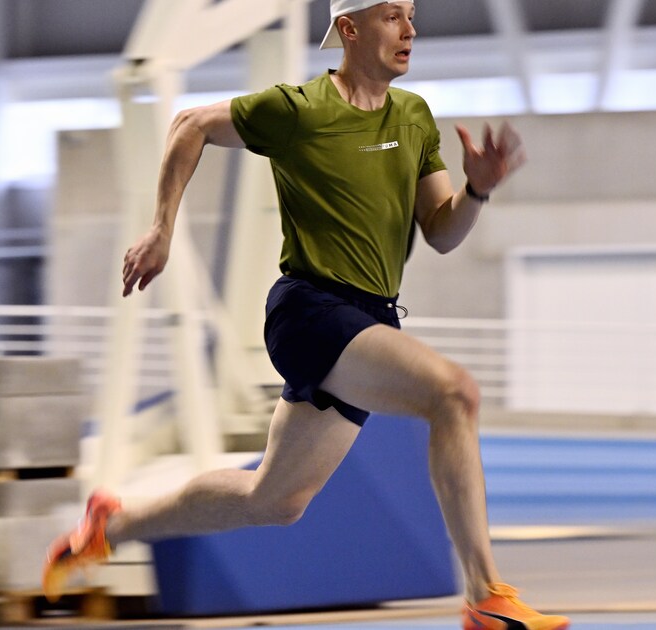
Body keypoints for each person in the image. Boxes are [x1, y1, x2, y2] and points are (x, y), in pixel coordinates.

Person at [43, 1, 568, 628]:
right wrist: (160, 229)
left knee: (276, 498)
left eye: (411, 16)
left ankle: (113, 524)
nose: (410, 30)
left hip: (370, 317)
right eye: (393, 17)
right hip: (311, 309)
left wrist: (476, 189)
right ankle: (485, 594)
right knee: (454, 393)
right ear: (349, 29)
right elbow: (189, 123)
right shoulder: (299, 109)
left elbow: (441, 231)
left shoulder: (415, 116)